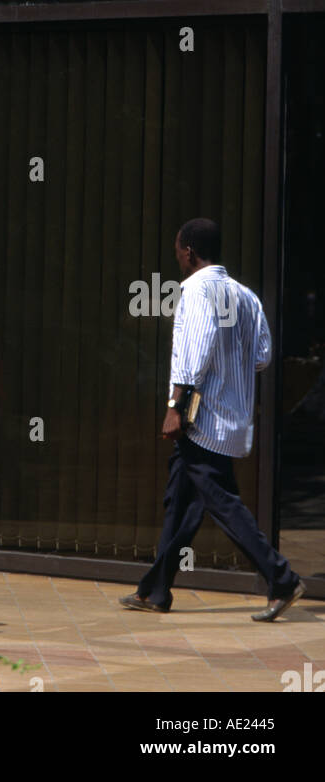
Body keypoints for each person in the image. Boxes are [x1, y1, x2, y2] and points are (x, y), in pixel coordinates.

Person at [120, 218, 304, 622]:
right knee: (181, 501)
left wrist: (175, 405)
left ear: (188, 251)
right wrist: (230, 369)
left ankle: (282, 579)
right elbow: (262, 357)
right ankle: (156, 591)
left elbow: (195, 350)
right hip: (232, 417)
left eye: (177, 248)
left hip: (202, 420)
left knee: (223, 503)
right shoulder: (244, 295)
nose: (176, 255)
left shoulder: (197, 290)